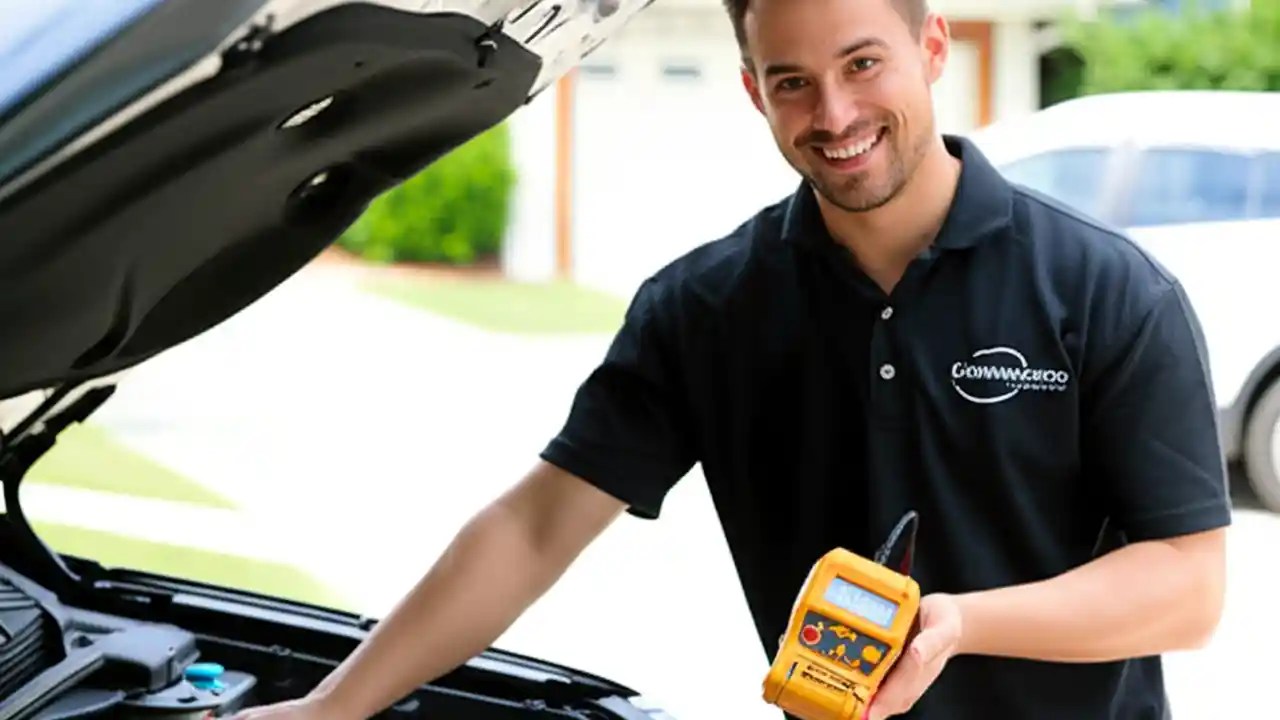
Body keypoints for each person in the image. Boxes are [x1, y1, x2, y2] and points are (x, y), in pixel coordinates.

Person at [232, 0, 1232, 718]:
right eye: (791, 81)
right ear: (755, 92)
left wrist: (954, 624)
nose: (831, 114)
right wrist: (332, 709)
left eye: (861, 63)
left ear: (930, 49)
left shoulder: (1104, 291)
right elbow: (533, 529)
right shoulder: (706, 307)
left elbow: (1185, 588)